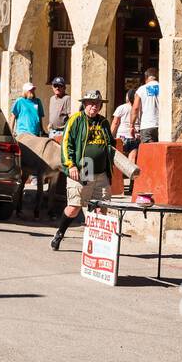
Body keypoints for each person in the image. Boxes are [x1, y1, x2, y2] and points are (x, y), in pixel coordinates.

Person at [51, 90, 114, 251]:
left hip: (101, 172)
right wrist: (70, 165)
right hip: (82, 169)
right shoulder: (76, 120)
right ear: (85, 104)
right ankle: (60, 233)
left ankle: (94, 245)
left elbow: (110, 145)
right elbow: (66, 143)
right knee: (75, 207)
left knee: (101, 210)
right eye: (91, 103)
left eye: (97, 103)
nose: (94, 106)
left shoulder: (104, 122)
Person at [132, 67, 160, 143]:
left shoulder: (142, 89)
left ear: (146, 77)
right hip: (162, 126)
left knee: (149, 153)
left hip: (147, 125)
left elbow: (135, 108)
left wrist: (132, 125)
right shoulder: (164, 87)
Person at [111, 89, 138, 155]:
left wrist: (110, 136)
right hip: (135, 136)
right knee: (132, 158)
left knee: (121, 158)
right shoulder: (139, 108)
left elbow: (115, 123)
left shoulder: (121, 107)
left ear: (128, 97)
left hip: (122, 136)